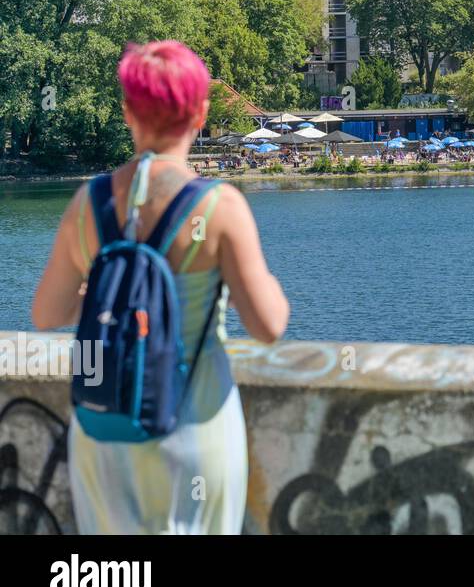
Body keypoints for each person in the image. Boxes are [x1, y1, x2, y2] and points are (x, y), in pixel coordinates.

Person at [30, 40, 290, 534]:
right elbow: (269, 325)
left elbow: (47, 312)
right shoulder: (219, 206)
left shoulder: (91, 201)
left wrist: (115, 302)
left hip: (104, 433)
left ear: (128, 111)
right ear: (200, 112)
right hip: (195, 429)